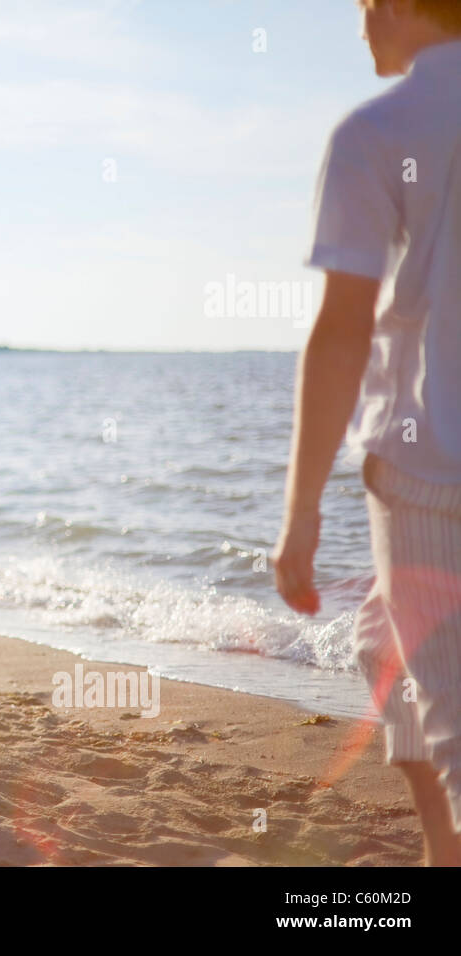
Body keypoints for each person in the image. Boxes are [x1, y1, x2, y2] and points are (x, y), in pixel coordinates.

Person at [274, 0, 461, 865]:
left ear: (391, 6)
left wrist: (301, 513)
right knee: (382, 644)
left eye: (358, 7)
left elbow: (344, 325)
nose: (357, 30)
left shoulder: (379, 128)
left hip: (430, 465)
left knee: (455, 717)